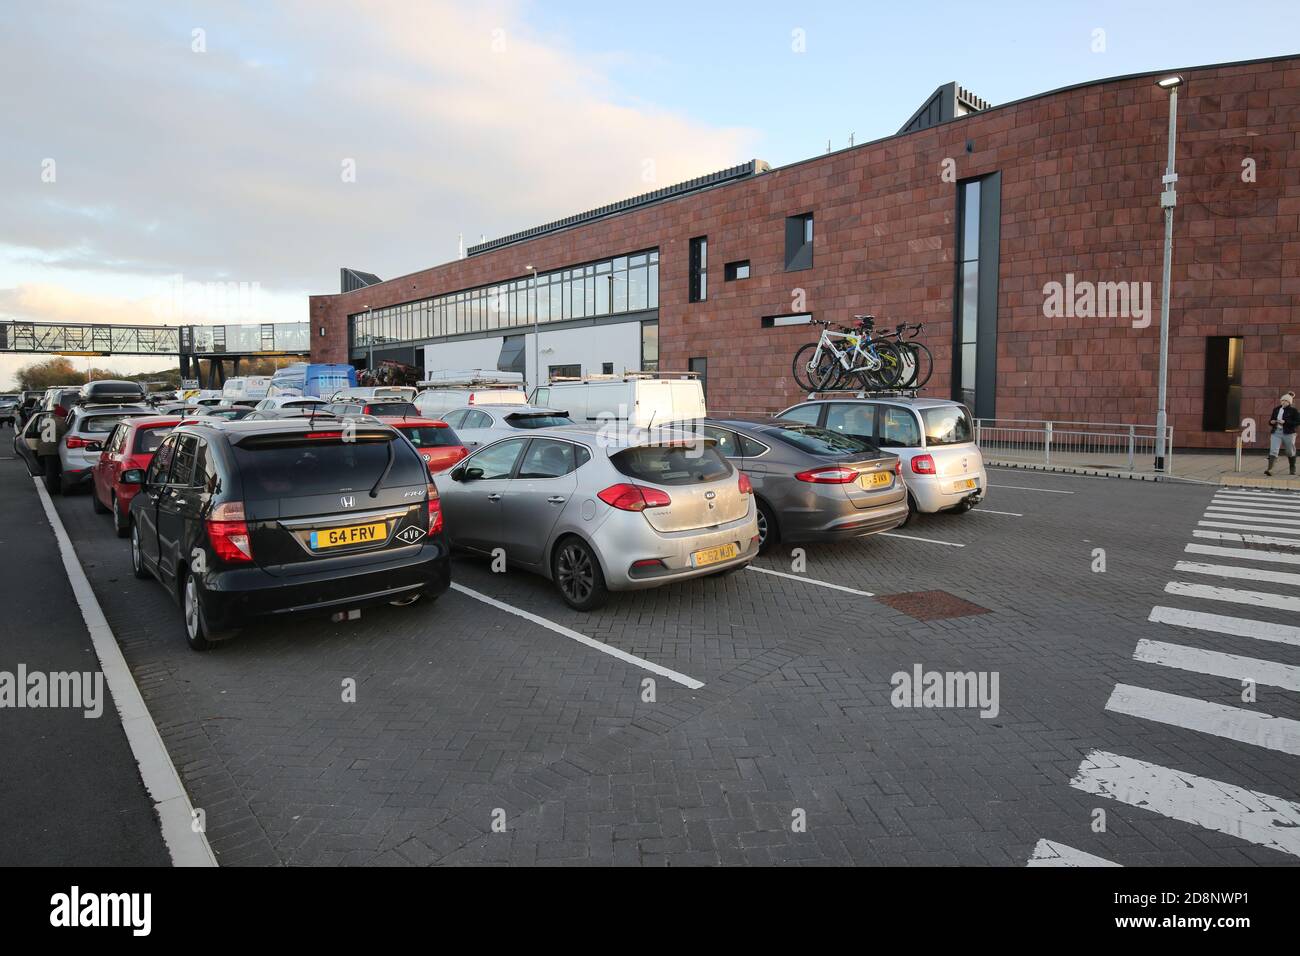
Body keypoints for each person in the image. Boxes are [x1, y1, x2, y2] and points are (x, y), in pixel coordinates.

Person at [1265, 392, 1298, 476]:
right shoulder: (1276, 409)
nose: (1283, 402)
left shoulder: (1293, 410)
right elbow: (1271, 420)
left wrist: (1285, 422)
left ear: (1289, 402)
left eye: (1286, 401)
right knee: (1273, 450)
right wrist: (1271, 422)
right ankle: (1270, 469)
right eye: (1282, 400)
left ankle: (1292, 467)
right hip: (1276, 432)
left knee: (1290, 451)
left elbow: (1297, 422)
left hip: (1289, 433)